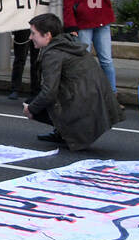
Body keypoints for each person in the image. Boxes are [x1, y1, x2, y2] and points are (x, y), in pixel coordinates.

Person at [24, 13, 122, 149]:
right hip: (101, 105)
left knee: (32, 104)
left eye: (33, 33)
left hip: (86, 109)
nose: (30, 37)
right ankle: (61, 132)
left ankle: (69, 132)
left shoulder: (53, 54)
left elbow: (49, 92)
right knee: (39, 99)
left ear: (47, 35)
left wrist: (31, 109)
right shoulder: (68, 43)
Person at [62, 0, 117, 93]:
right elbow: (68, 1)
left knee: (106, 60)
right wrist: (71, 25)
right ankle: (83, 94)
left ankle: (112, 94)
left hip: (102, 21)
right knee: (83, 61)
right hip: (84, 23)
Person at [9, 0, 44, 100]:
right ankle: (15, 88)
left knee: (37, 58)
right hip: (22, 20)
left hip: (38, 19)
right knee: (20, 56)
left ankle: (35, 89)